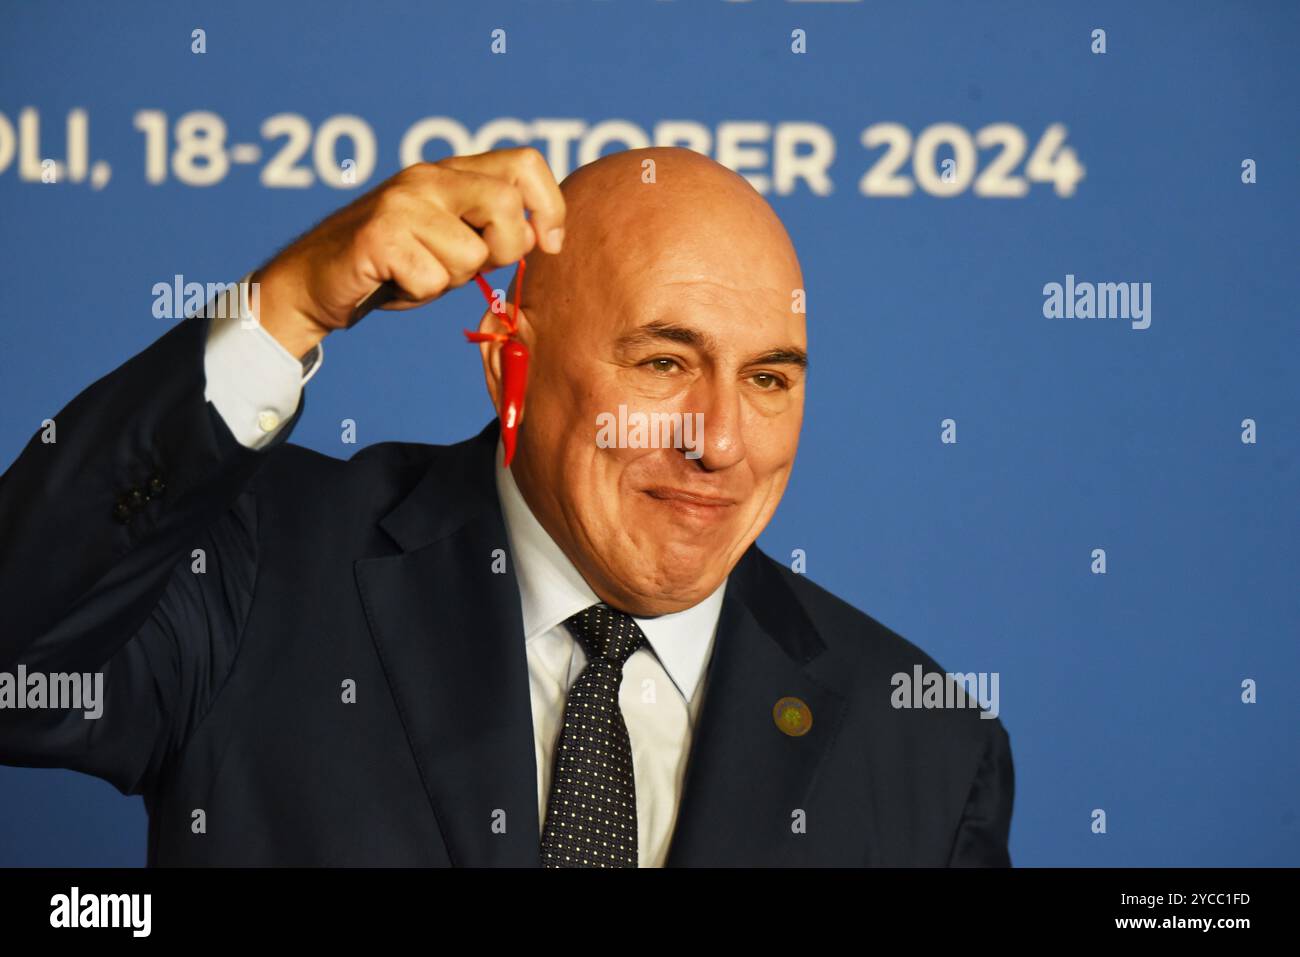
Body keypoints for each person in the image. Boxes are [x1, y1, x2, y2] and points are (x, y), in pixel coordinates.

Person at [0, 146, 1013, 866]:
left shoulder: (921, 744)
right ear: (508, 364)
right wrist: (289, 306)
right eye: (664, 362)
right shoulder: (268, 566)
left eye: (769, 381)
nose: (719, 443)